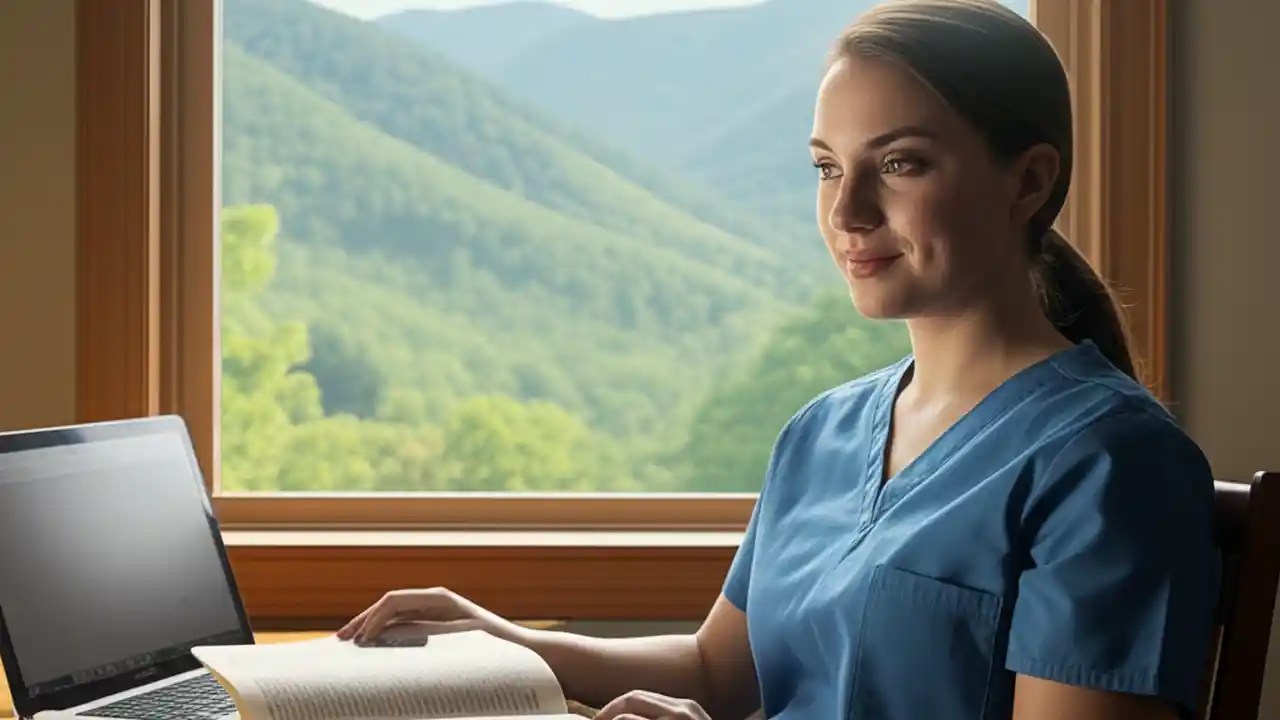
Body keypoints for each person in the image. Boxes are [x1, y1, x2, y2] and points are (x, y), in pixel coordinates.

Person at [336, 0, 1221, 717]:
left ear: (1028, 180)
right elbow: (720, 672)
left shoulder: (1112, 466)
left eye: (900, 164)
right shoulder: (822, 433)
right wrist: (511, 646)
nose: (848, 214)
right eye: (828, 169)